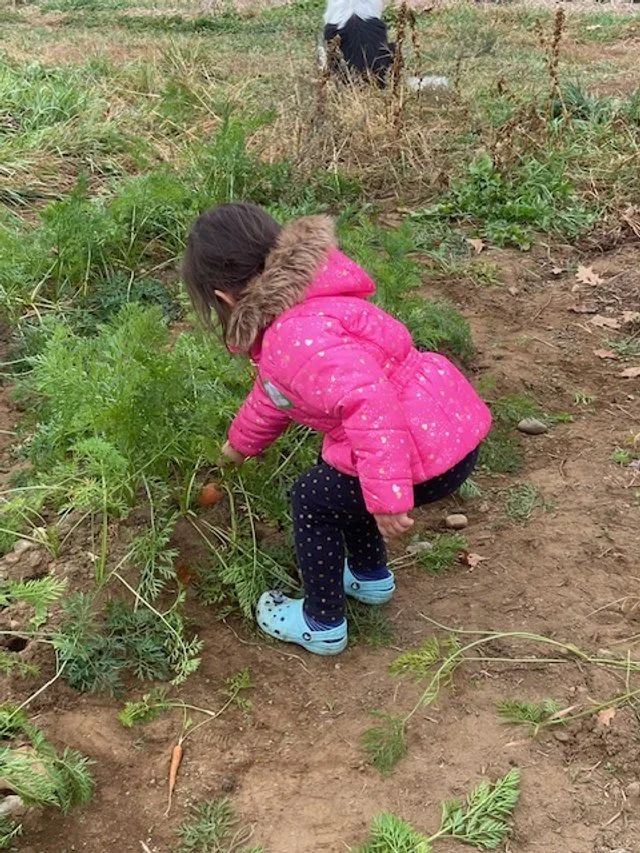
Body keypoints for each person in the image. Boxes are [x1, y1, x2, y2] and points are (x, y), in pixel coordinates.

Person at [182, 203, 491, 656]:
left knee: (312, 499)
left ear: (224, 300)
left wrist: (388, 500)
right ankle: (369, 578)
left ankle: (321, 622)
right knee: (338, 474)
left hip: (418, 451)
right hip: (445, 430)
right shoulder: (309, 302)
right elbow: (274, 394)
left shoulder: (292, 335)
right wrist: (236, 447)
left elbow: (371, 402)